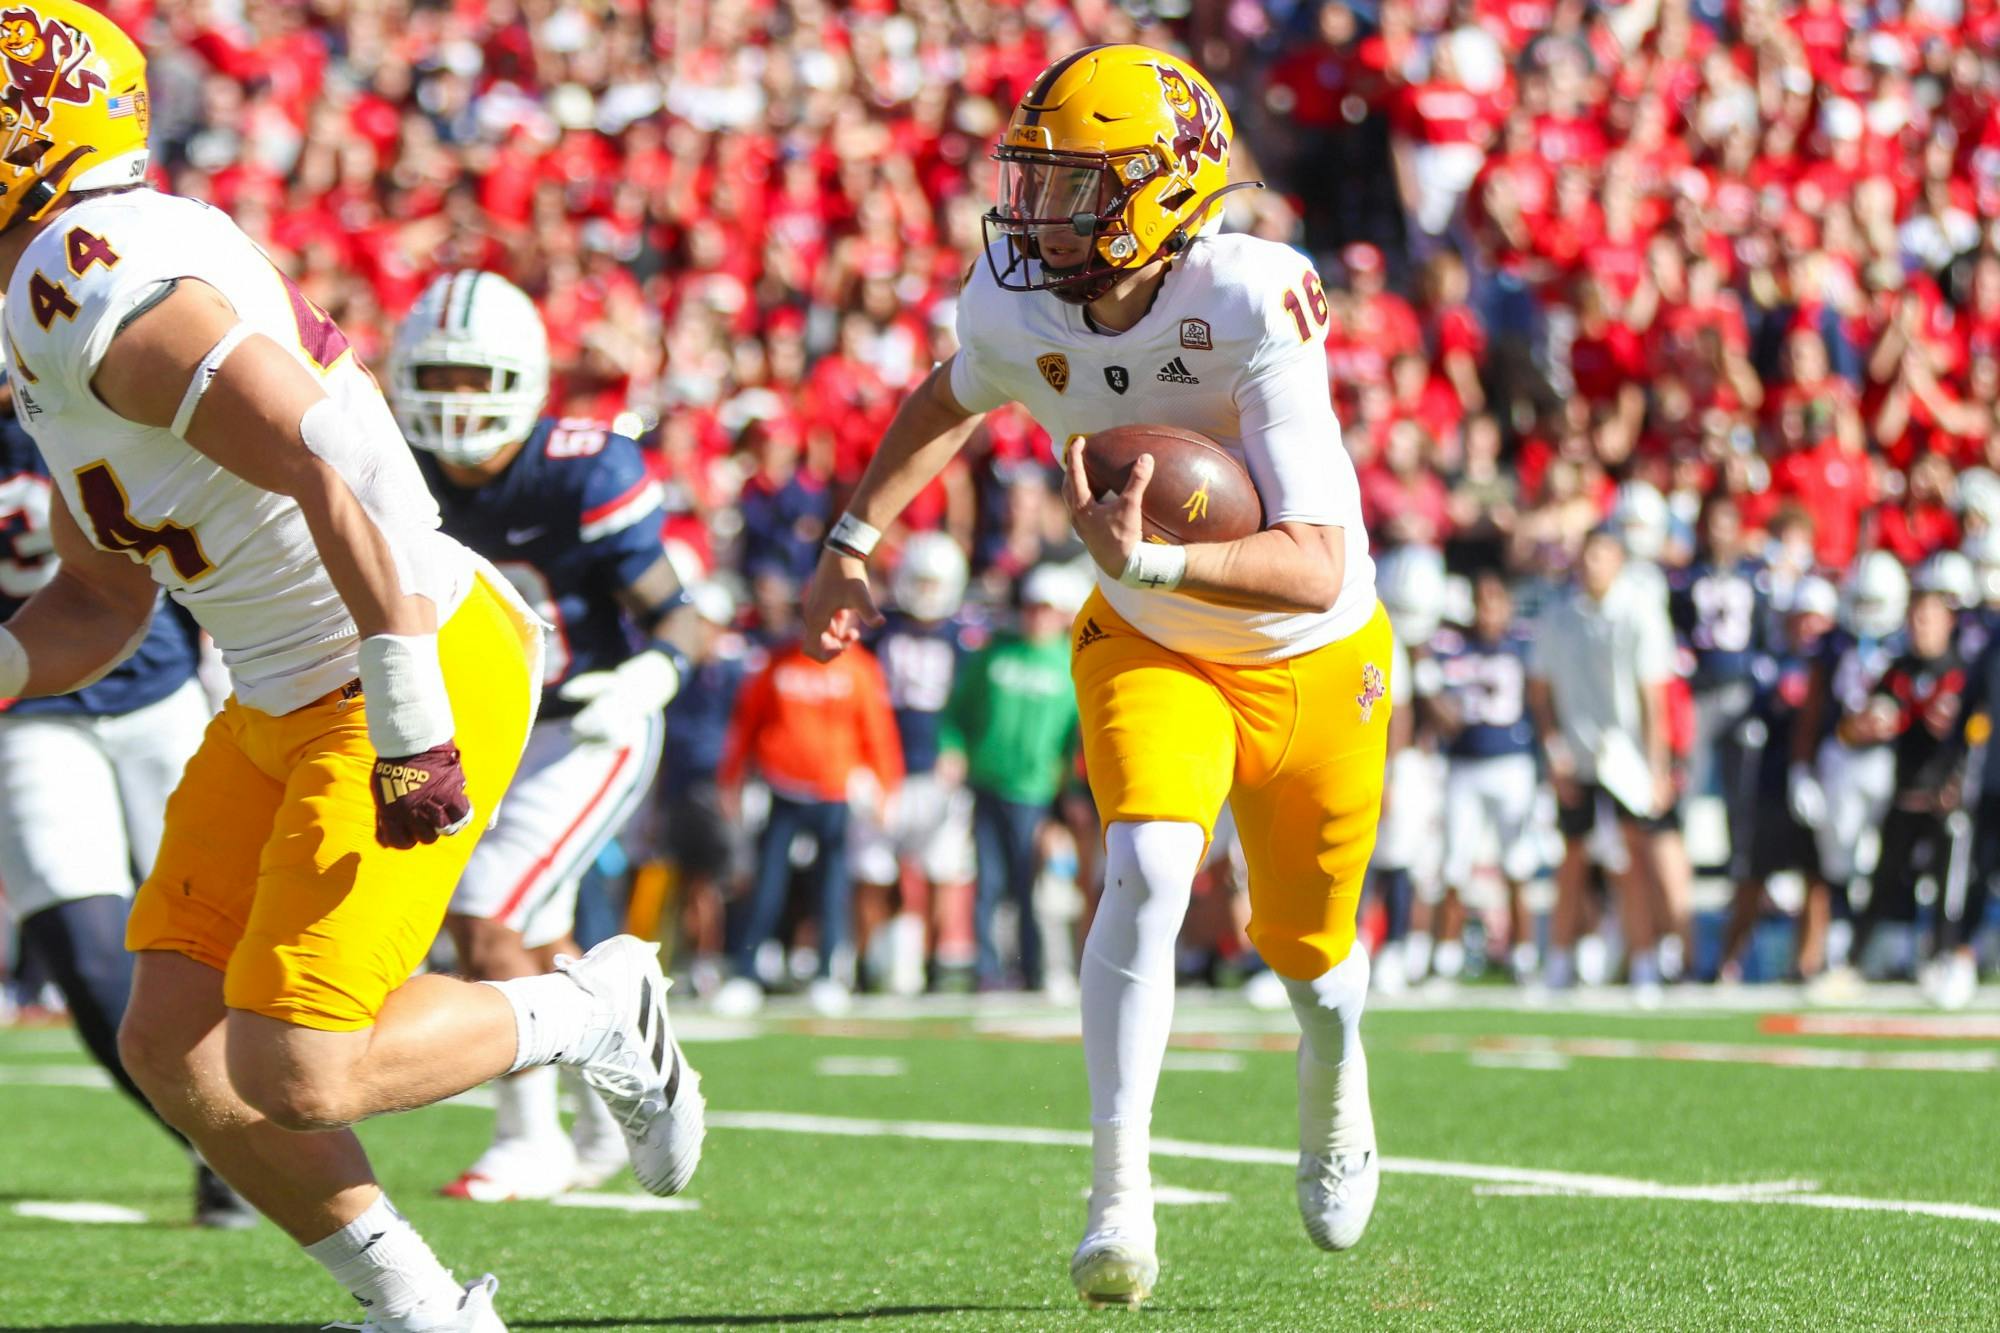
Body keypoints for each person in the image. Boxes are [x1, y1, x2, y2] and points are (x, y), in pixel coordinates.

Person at [0, 11, 701, 1327]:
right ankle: (423, 1306)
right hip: (281, 689)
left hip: (405, 657)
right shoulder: (44, 305)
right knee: (172, 1043)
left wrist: (406, 710)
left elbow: (352, 466)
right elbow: (101, 594)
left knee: (299, 1066)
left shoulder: (83, 274)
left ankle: (592, 1007)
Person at [801, 46, 1390, 1308]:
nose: (1037, 216)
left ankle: (1332, 1065)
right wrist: (852, 538)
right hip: (1148, 640)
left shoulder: (1248, 296)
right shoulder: (1015, 305)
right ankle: (1118, 1189)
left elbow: (1315, 565)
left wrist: (1159, 561)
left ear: (1167, 193)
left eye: (1076, 190)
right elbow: (950, 396)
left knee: (1310, 956)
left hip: (1310, 655)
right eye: (1035, 183)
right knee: (1151, 862)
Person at [387, 271, 693, 1203]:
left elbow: (677, 615)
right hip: (481, 735)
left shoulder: (581, 468)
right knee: (537, 940)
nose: (455, 400)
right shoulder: (391, 471)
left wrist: (651, 675)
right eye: (437, 378)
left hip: (588, 726)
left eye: (476, 378)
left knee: (484, 916)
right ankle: (600, 1119)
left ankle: (528, 1139)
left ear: (520, 380)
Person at [0, 398, 252, 1227]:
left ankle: (278, 1109)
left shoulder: (87, 383)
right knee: (88, 953)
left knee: (231, 927)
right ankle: (215, 1140)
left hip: (160, 694)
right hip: (28, 713)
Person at [716, 598, 904, 1016]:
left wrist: (888, 788)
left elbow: (878, 733)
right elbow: (746, 722)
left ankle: (827, 973)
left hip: (835, 794)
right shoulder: (776, 661)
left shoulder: (860, 669)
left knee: (832, 885)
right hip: (782, 790)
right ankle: (746, 972)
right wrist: (731, 779)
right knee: (767, 884)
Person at [1528, 528, 1680, 1002]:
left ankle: (1644, 961)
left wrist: (1657, 765)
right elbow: (1540, 691)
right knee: (1571, 858)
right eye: (1586, 553)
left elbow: (1653, 696)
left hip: (1626, 758)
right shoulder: (1559, 618)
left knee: (1634, 857)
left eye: (1601, 554)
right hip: (1578, 753)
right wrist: (1554, 750)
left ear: (1618, 560)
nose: (1592, 563)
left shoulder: (1639, 612)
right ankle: (1556, 961)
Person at [943, 562, 1087, 992]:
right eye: (1030, 607)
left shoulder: (1072, 666)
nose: (1036, 616)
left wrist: (1072, 793)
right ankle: (987, 969)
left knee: (1029, 884)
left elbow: (1074, 740)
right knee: (988, 880)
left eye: (1045, 608)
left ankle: (1032, 968)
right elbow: (957, 711)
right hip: (987, 782)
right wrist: (952, 749)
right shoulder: (994, 653)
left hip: (1037, 791)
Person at [850, 532, 977, 996]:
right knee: (872, 871)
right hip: (883, 768)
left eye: (933, 582)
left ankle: (935, 964)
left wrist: (959, 747)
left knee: (943, 869)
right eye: (917, 581)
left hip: (939, 770)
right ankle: (869, 962)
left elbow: (973, 708)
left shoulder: (964, 639)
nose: (925, 592)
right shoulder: (879, 631)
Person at [1429, 571, 1542, 982]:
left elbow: (1541, 701)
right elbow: (1443, 716)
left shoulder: (1523, 645)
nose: (1490, 612)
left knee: (1518, 863)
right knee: (1454, 865)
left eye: (1497, 602)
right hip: (1464, 766)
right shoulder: (1452, 648)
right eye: (1483, 602)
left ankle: (1524, 956)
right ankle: (1445, 957)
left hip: (1513, 763)